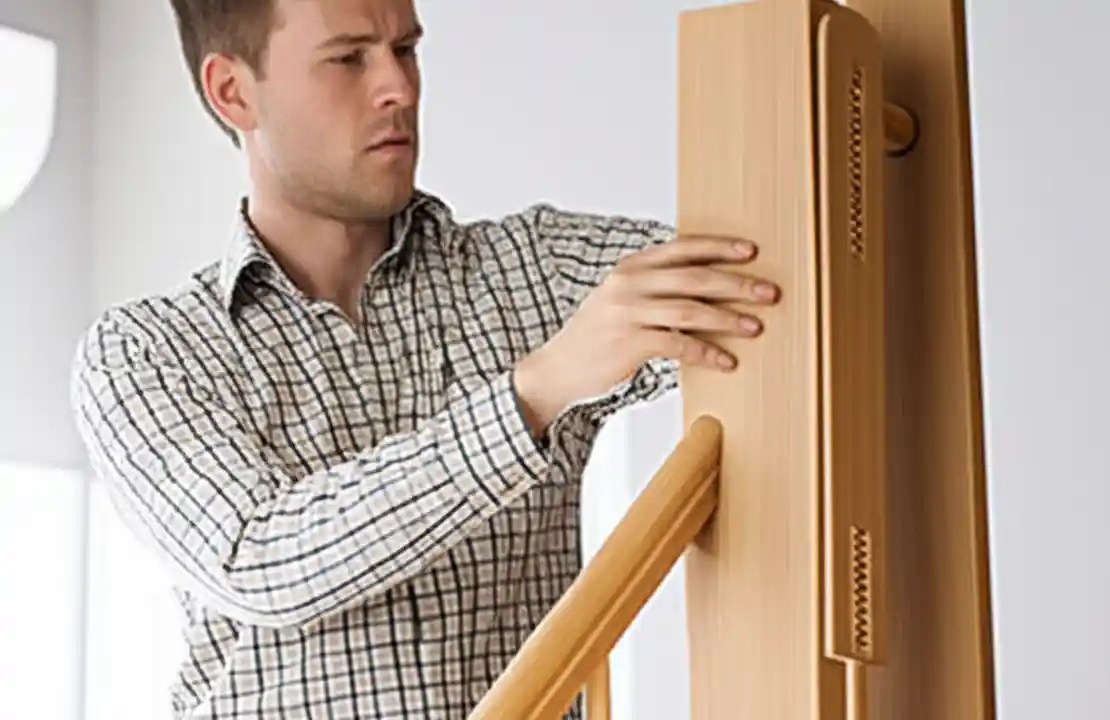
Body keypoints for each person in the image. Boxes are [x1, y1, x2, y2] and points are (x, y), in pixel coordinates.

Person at [69, 0, 780, 718]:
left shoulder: (536, 270)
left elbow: (780, 302)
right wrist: (531, 397)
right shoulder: (145, 354)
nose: (399, 89)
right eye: (349, 59)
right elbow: (262, 561)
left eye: (405, 50)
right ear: (233, 91)